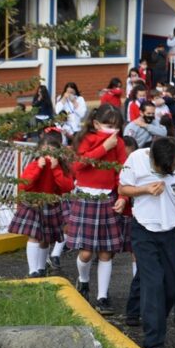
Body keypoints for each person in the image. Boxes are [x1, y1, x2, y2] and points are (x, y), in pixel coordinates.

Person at [119, 136, 175, 348]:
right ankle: (154, 343)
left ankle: (155, 321)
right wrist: (144, 189)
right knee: (152, 283)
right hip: (143, 230)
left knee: (171, 288)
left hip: (172, 233)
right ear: (151, 156)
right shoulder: (136, 158)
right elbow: (122, 188)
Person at [67, 104, 128, 315]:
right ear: (95, 123)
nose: (112, 130)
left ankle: (103, 296)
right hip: (85, 197)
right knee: (85, 253)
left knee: (105, 252)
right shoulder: (87, 139)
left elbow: (122, 171)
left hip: (107, 198)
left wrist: (123, 196)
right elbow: (77, 166)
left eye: (115, 126)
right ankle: (83, 280)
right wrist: (104, 147)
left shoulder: (119, 143)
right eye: (107, 125)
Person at [8, 128, 74, 277]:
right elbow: (24, 184)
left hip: (51, 204)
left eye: (52, 152)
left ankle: (41, 268)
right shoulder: (34, 165)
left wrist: (56, 168)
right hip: (34, 203)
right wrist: (38, 168)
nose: (48, 155)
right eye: (45, 151)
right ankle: (33, 271)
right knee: (33, 236)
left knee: (46, 239)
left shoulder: (61, 167)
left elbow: (67, 187)